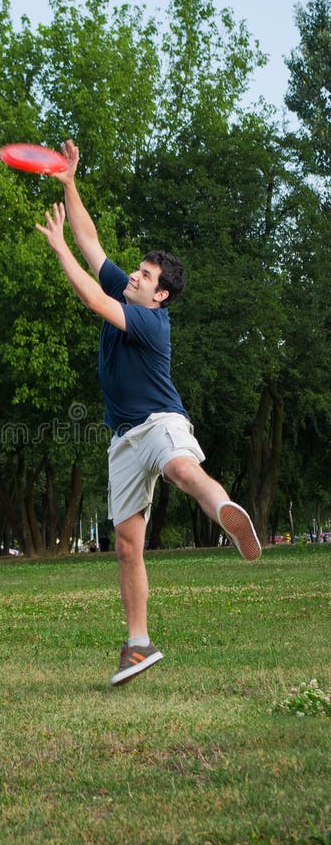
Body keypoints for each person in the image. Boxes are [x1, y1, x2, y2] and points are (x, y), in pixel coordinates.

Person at [36, 139, 261, 687]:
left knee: (182, 469)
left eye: (144, 276)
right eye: (136, 270)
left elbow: (90, 294)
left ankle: (226, 512)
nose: (134, 276)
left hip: (161, 423)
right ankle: (138, 645)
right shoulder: (129, 290)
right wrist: (70, 183)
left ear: (159, 297)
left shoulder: (148, 322)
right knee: (127, 544)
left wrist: (58, 249)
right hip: (123, 439)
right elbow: (92, 242)